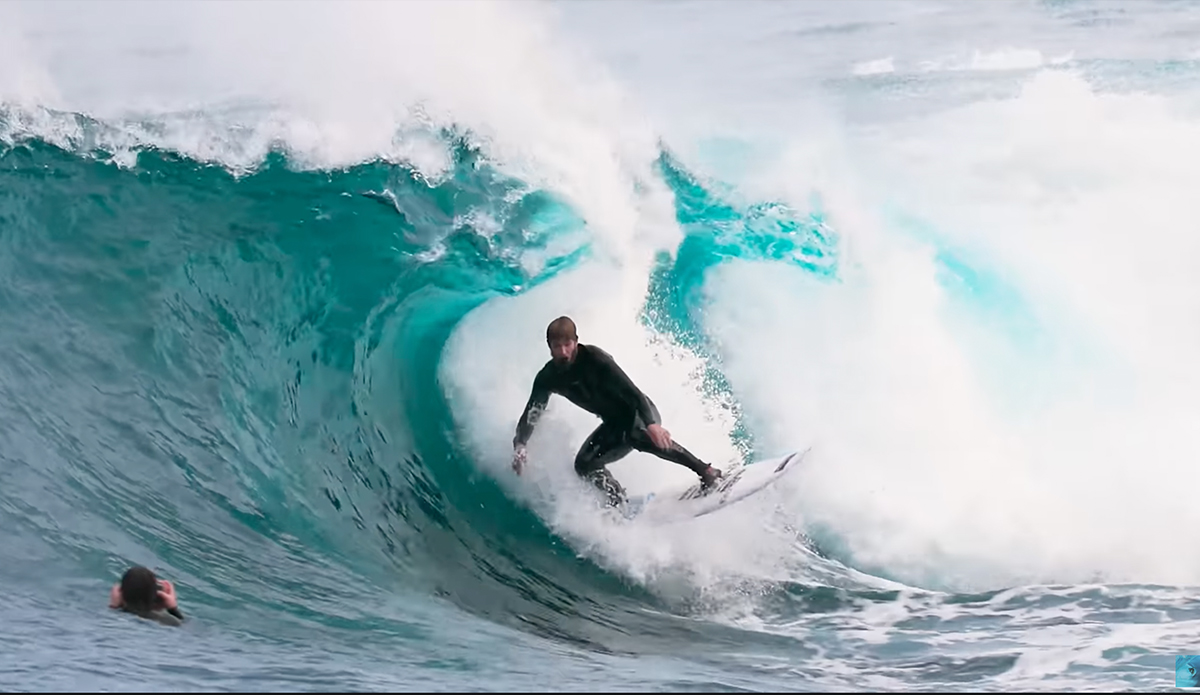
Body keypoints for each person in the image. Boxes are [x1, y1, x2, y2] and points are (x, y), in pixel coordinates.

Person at [512, 315, 723, 507]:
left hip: (638, 412)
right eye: (557, 346)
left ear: (576, 340)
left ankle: (706, 471)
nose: (564, 352)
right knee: (584, 464)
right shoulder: (548, 378)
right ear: (549, 346)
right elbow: (532, 412)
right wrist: (520, 444)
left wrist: (652, 425)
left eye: (567, 344)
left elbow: (633, 393)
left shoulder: (595, 359)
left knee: (635, 435)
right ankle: (619, 502)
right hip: (614, 423)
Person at [108, 565, 185, 627]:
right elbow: (185, 628)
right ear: (156, 595)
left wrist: (113, 606)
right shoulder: (170, 621)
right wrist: (173, 609)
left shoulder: (118, 618)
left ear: (121, 593)